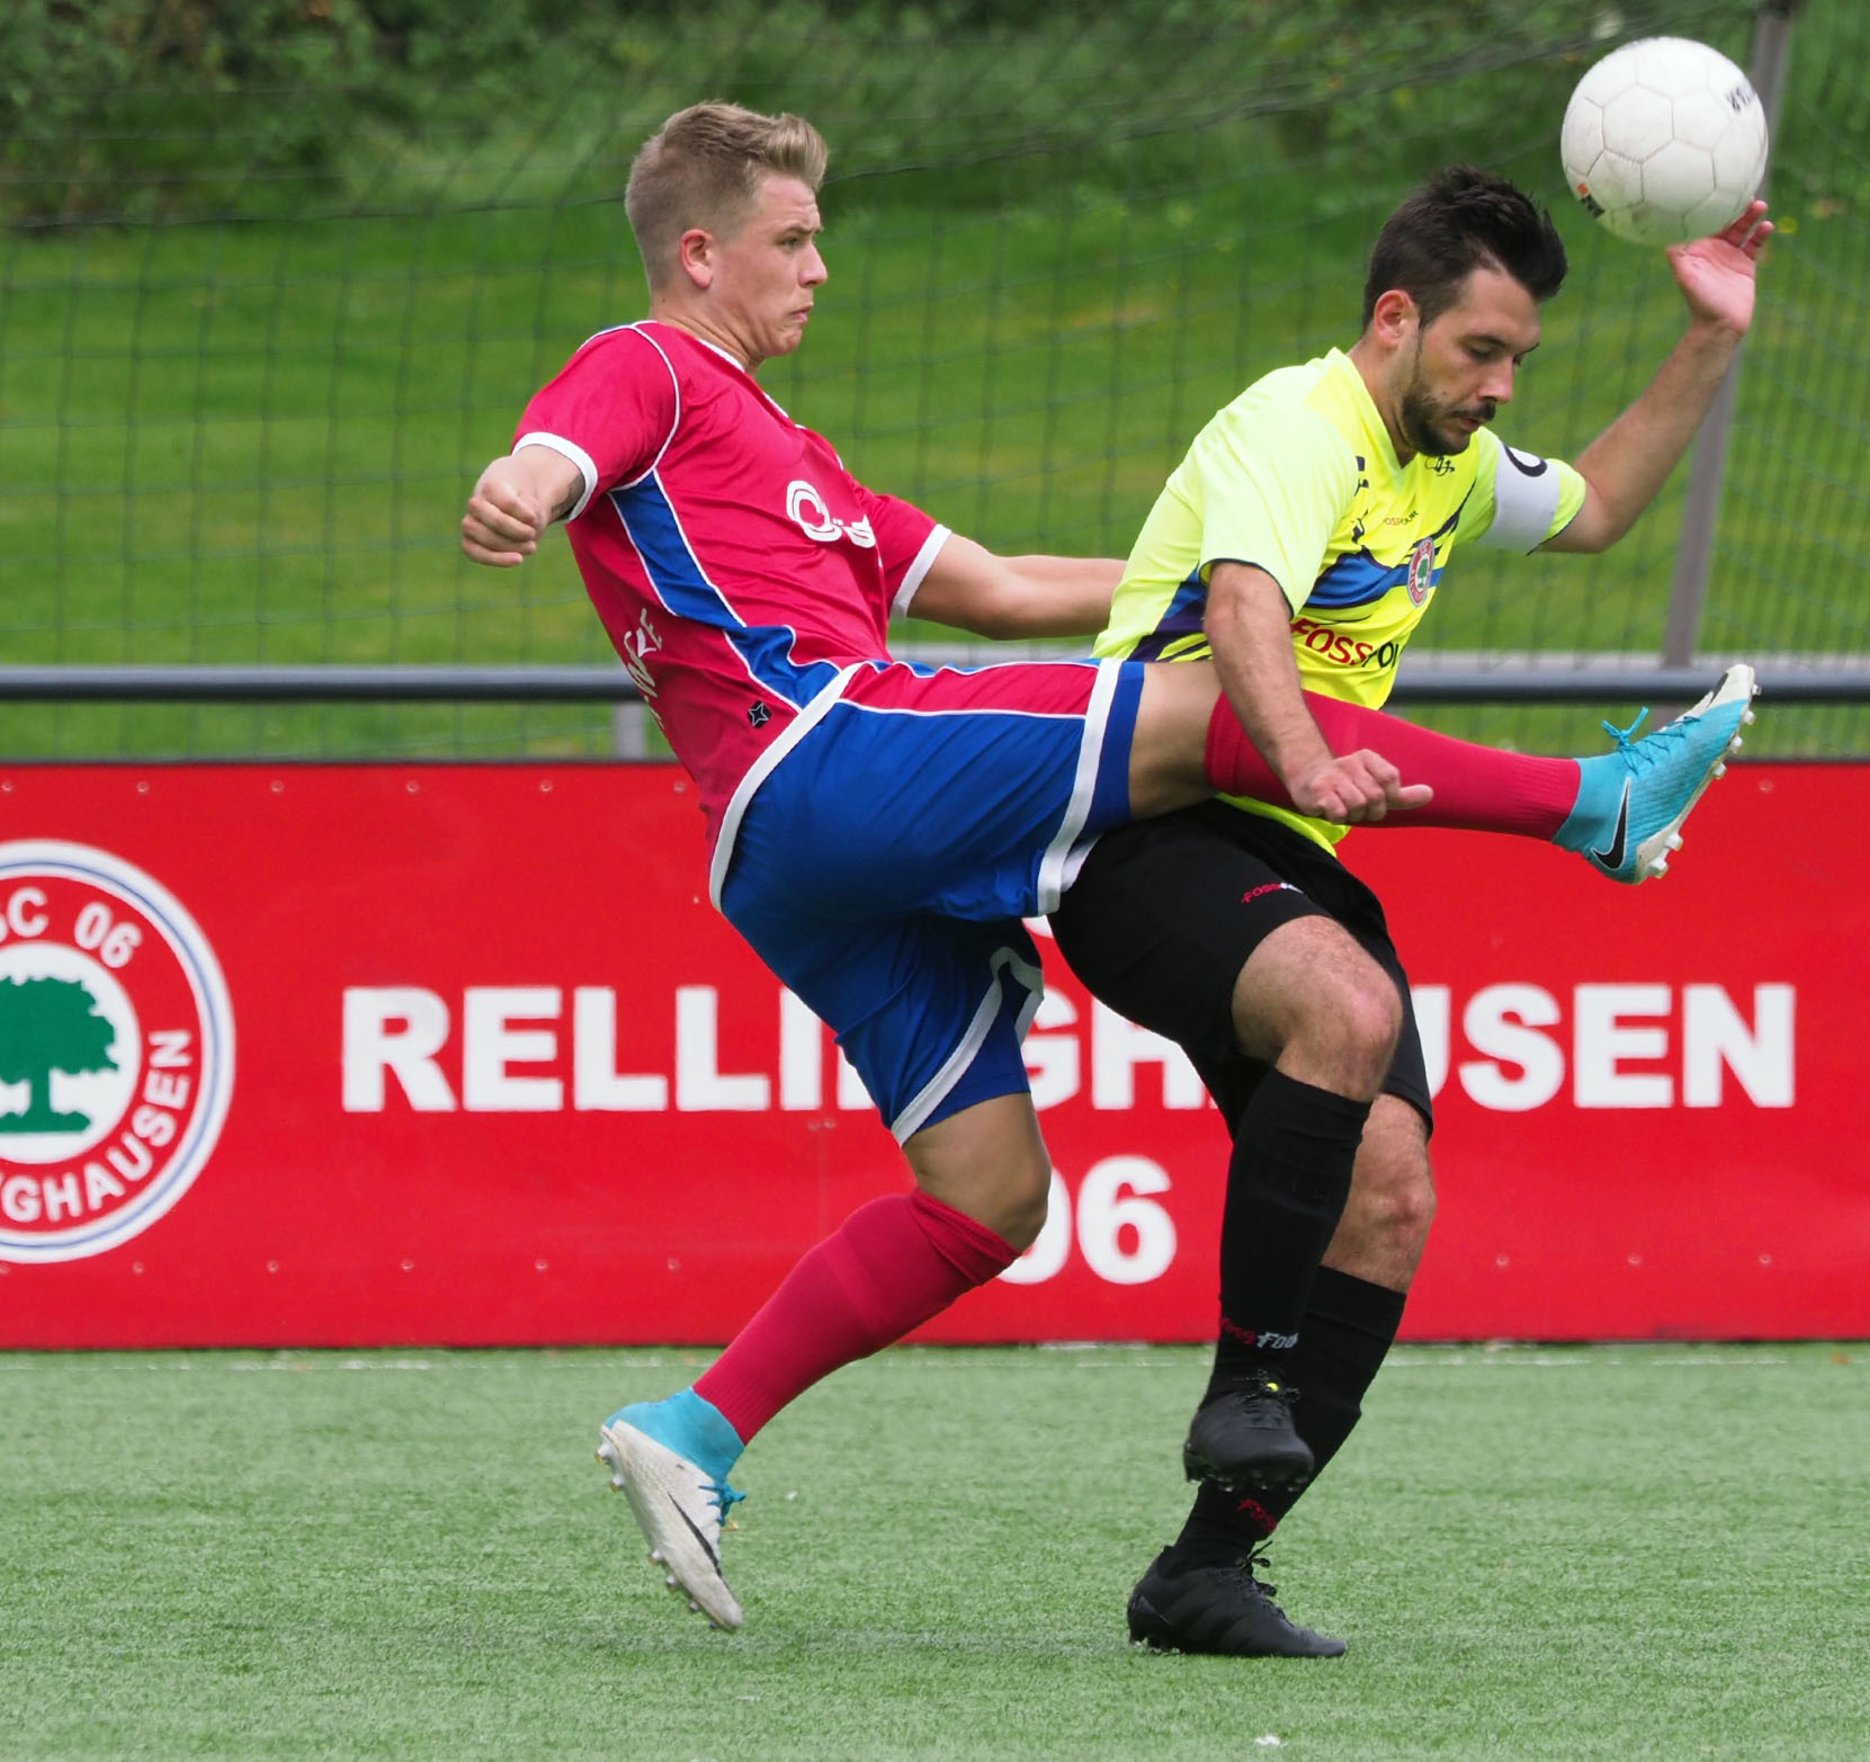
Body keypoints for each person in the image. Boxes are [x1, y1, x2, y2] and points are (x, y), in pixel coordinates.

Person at [458, 103, 1756, 1634]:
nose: (820, 267)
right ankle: (1593, 802)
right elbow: (561, 441)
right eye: (792, 239)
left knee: (992, 1198)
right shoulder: (654, 364)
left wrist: (1172, 558)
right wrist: (525, 489)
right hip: (827, 750)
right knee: (1218, 691)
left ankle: (694, 1430)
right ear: (697, 252)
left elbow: (1004, 589)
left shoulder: (801, 458)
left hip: (786, 853)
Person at [1047, 166, 1771, 1658]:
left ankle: (1205, 1572)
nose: (1500, 387)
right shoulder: (1293, 427)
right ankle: (1242, 1380)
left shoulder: (1446, 456)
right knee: (1348, 1007)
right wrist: (1307, 753)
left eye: (1519, 362)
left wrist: (1712, 331)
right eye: (1479, 352)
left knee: (1389, 1197)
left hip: (1287, 845)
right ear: (1396, 317)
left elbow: (1606, 505)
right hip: (1141, 826)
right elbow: (1245, 603)